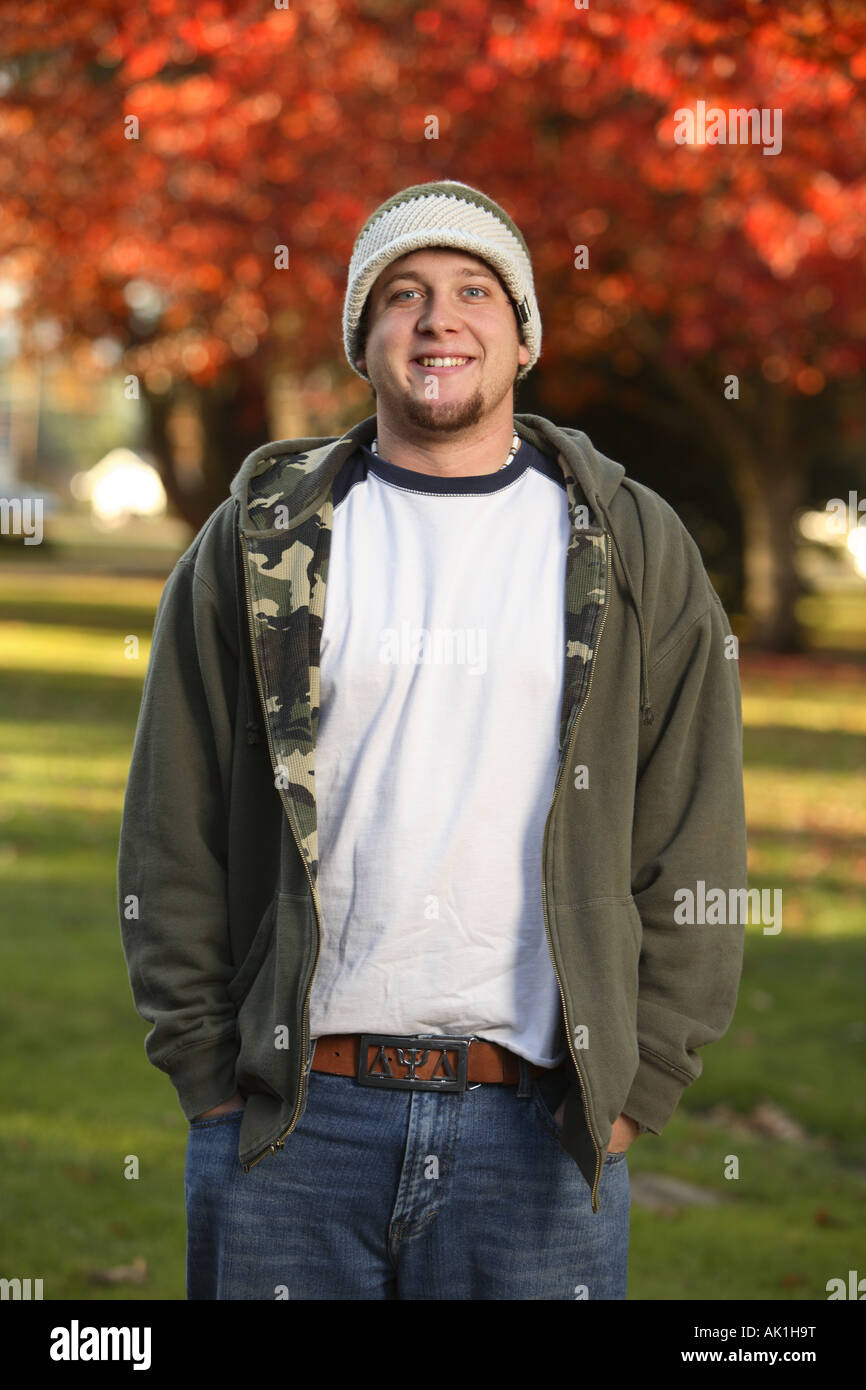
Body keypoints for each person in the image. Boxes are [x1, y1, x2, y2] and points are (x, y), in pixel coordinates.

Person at [117, 179, 748, 1301]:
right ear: (363, 341)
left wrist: (642, 1079)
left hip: (538, 1130)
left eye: (473, 292)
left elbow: (692, 820)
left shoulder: (628, 545)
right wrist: (206, 1070)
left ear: (523, 337)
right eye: (401, 294)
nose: (437, 319)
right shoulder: (260, 543)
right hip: (292, 1125)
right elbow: (174, 816)